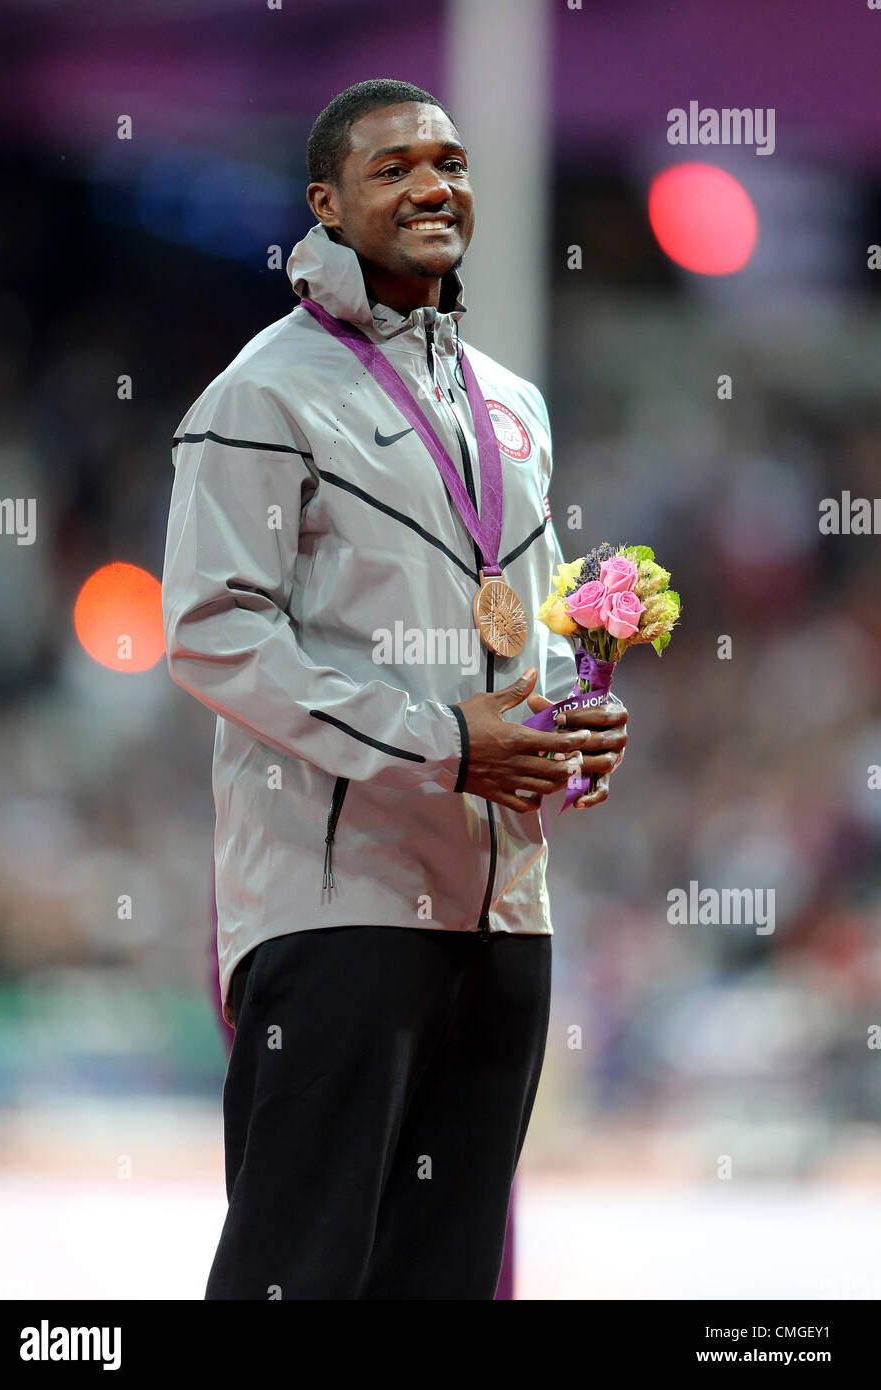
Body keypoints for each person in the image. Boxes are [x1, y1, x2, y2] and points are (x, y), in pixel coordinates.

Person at [162, 77, 628, 1300]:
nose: (434, 184)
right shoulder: (262, 396)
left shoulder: (513, 408)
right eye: (393, 167)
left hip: (502, 911)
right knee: (300, 1271)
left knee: (449, 1277)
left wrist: (569, 719)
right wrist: (436, 739)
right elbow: (211, 634)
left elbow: (518, 628)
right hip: (337, 907)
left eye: (451, 160)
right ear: (324, 203)